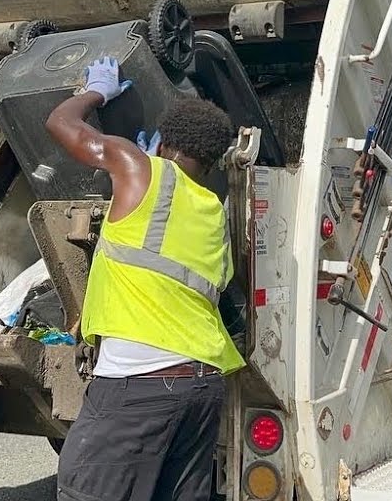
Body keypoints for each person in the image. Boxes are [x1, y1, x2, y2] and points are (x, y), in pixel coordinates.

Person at [45, 55, 245, 501]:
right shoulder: (214, 214)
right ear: (211, 163)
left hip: (140, 384)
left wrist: (96, 91)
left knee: (85, 492)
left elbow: (60, 124)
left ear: (162, 142)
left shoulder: (138, 168)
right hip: (202, 387)